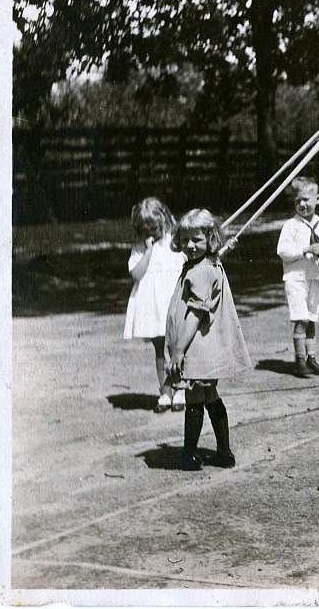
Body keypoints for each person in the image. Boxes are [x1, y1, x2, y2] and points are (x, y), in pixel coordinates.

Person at [165, 209, 251, 471]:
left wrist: (179, 350)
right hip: (206, 346)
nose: (190, 246)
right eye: (186, 239)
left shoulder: (201, 271)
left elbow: (195, 314)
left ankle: (189, 455)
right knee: (210, 393)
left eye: (197, 240)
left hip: (196, 346)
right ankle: (224, 452)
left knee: (193, 397)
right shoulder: (209, 263)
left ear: (210, 240)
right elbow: (212, 262)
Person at [124, 197, 187, 412]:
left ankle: (180, 390)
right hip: (153, 307)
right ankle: (164, 392)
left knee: (176, 346)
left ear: (164, 220)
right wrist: (148, 251)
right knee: (160, 349)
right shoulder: (139, 250)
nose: (150, 233)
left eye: (154, 227)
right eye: (145, 230)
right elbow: (136, 275)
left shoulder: (175, 243)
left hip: (172, 302)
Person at [276, 176, 319, 378]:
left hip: (316, 276)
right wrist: (306, 249)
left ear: (318, 199)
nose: (302, 204)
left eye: (306, 200)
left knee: (312, 318)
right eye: (298, 201)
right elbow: (283, 251)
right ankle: (299, 360)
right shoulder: (291, 225)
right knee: (301, 318)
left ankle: (311, 358)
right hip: (295, 277)